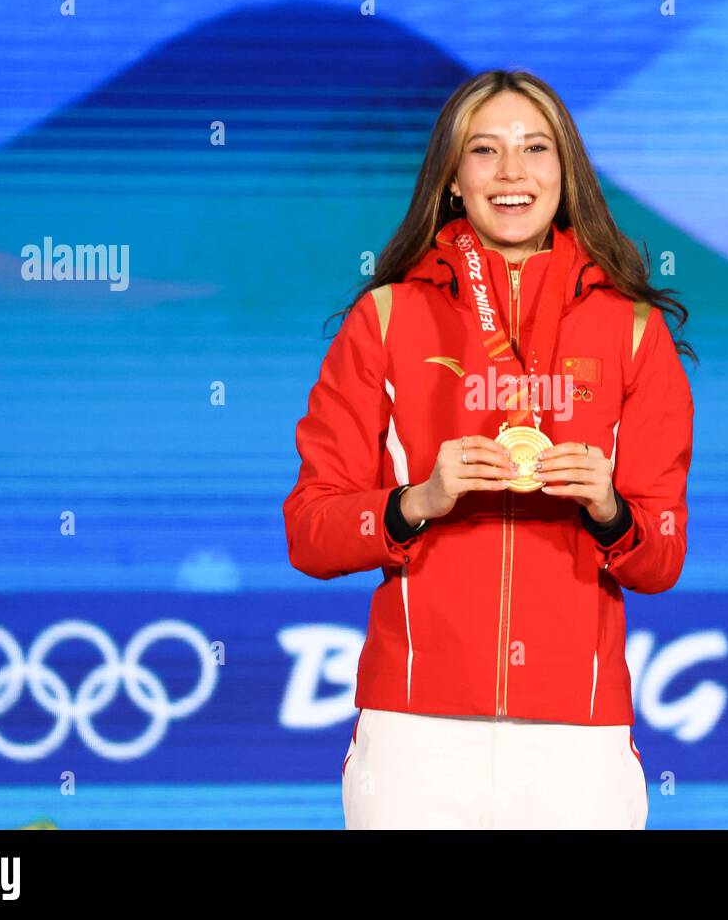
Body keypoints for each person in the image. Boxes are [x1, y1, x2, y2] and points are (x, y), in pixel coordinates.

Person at [283, 69, 696, 829]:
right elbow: (310, 530)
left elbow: (660, 556)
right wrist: (415, 503)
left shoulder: (635, 331)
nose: (513, 173)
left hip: (578, 740)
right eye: (485, 150)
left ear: (565, 172)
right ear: (451, 178)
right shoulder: (383, 319)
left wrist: (609, 510)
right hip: (415, 734)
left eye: (536, 148)